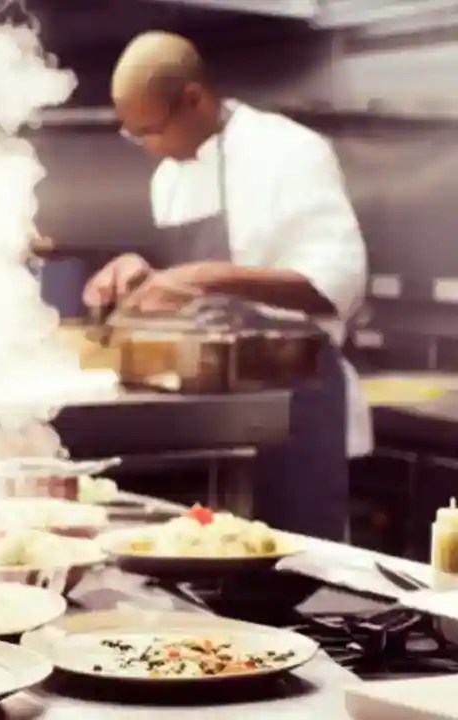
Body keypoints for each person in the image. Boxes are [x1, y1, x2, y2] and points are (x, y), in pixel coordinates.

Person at [83, 31, 370, 540]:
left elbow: (337, 286)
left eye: (148, 131)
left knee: (293, 566)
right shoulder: (169, 177)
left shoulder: (287, 151)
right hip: (215, 409)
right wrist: (142, 275)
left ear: (193, 99)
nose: (146, 148)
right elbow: (191, 292)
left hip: (293, 404)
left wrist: (204, 276)